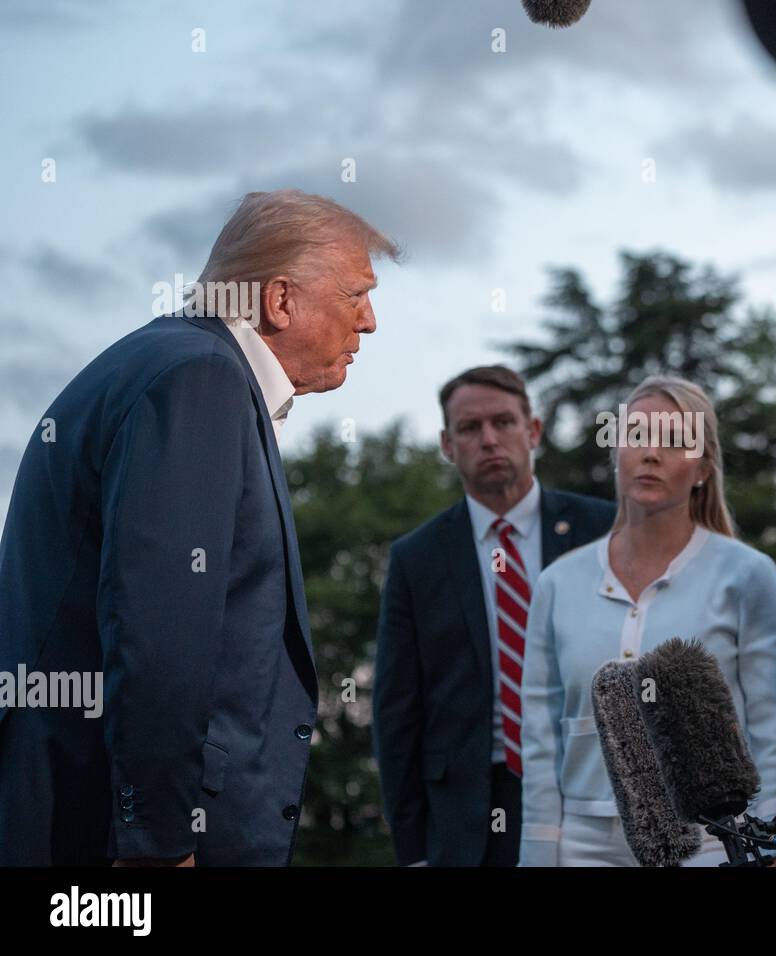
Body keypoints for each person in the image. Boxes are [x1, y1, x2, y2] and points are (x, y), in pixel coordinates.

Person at [0, 189, 398, 865]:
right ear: (279, 301)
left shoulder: (170, 361)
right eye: (357, 293)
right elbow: (159, 629)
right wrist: (159, 839)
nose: (371, 322)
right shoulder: (199, 377)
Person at [520, 376, 776, 866]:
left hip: (716, 841)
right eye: (635, 435)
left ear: (703, 469)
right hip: (583, 843)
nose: (650, 453)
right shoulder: (556, 584)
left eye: (675, 440)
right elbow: (539, 738)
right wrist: (536, 848)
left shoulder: (747, 575)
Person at [373, 366, 615, 866]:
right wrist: (414, 851)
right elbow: (397, 711)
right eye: (469, 428)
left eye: (503, 422)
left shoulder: (603, 530)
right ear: (447, 443)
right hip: (472, 815)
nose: (488, 439)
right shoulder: (416, 559)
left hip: (596, 795)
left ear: (533, 431)